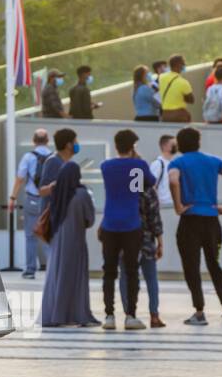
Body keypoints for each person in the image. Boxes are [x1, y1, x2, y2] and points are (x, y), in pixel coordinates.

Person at [169, 126, 222, 326]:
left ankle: (199, 312)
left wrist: (178, 206)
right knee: (214, 264)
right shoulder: (213, 161)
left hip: (189, 220)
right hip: (211, 220)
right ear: (198, 142)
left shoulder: (177, 162)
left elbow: (174, 181)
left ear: (180, 144)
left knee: (191, 267)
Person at [37, 128, 99, 327]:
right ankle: (72, 313)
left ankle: (59, 313)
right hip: (60, 220)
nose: (77, 144)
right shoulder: (53, 162)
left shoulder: (64, 164)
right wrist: (59, 185)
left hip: (61, 224)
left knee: (58, 271)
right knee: (69, 272)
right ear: (68, 144)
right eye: (75, 141)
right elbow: (42, 190)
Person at [97, 129, 150, 331]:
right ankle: (131, 315)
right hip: (131, 225)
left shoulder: (106, 166)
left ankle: (109, 315)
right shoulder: (139, 165)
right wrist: (137, 160)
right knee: (131, 271)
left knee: (108, 271)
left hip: (110, 224)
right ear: (132, 147)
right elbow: (146, 185)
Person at [118, 163, 165, 329]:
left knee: (125, 276)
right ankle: (154, 315)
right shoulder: (149, 191)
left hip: (125, 241)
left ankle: (129, 314)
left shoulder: (124, 193)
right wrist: (160, 242)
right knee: (151, 278)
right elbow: (155, 219)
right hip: (146, 241)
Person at [8, 129, 52, 278]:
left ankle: (30, 270)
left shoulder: (28, 157)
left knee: (30, 236)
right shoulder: (53, 157)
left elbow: (20, 178)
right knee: (49, 233)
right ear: (47, 141)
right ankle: (52, 270)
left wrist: (13, 198)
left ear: (34, 141)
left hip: (32, 200)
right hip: (49, 201)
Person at [158, 54, 194, 123]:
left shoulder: (161, 77)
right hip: (179, 115)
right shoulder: (183, 82)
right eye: (183, 64)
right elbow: (191, 100)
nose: (184, 66)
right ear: (179, 65)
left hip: (165, 115)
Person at [148, 134, 176, 207]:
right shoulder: (158, 164)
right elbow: (152, 186)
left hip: (173, 205)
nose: (176, 146)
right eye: (173, 144)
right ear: (164, 146)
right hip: (163, 206)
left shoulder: (175, 163)